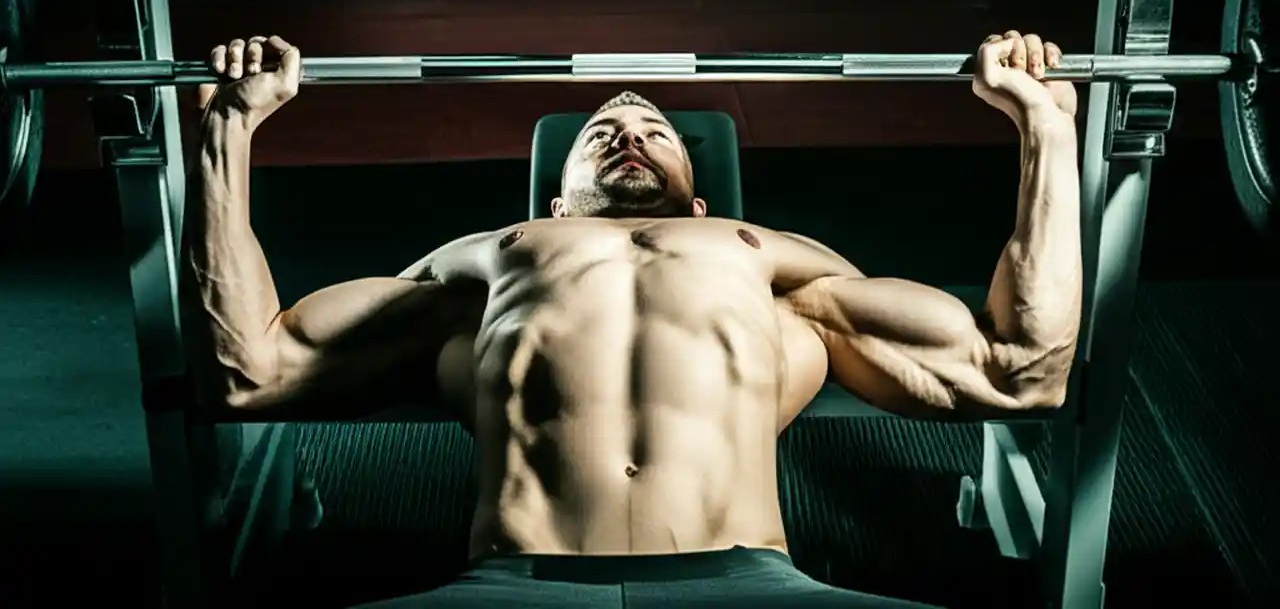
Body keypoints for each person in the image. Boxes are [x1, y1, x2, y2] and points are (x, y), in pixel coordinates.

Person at [182, 30, 1082, 607]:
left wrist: (1045, 127)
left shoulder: (763, 260)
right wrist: (228, 130)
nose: (629, 133)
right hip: (508, 586)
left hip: (748, 585)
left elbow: (1019, 370)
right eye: (603, 133)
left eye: (655, 129)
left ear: (700, 205)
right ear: (555, 202)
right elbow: (250, 372)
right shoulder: (496, 257)